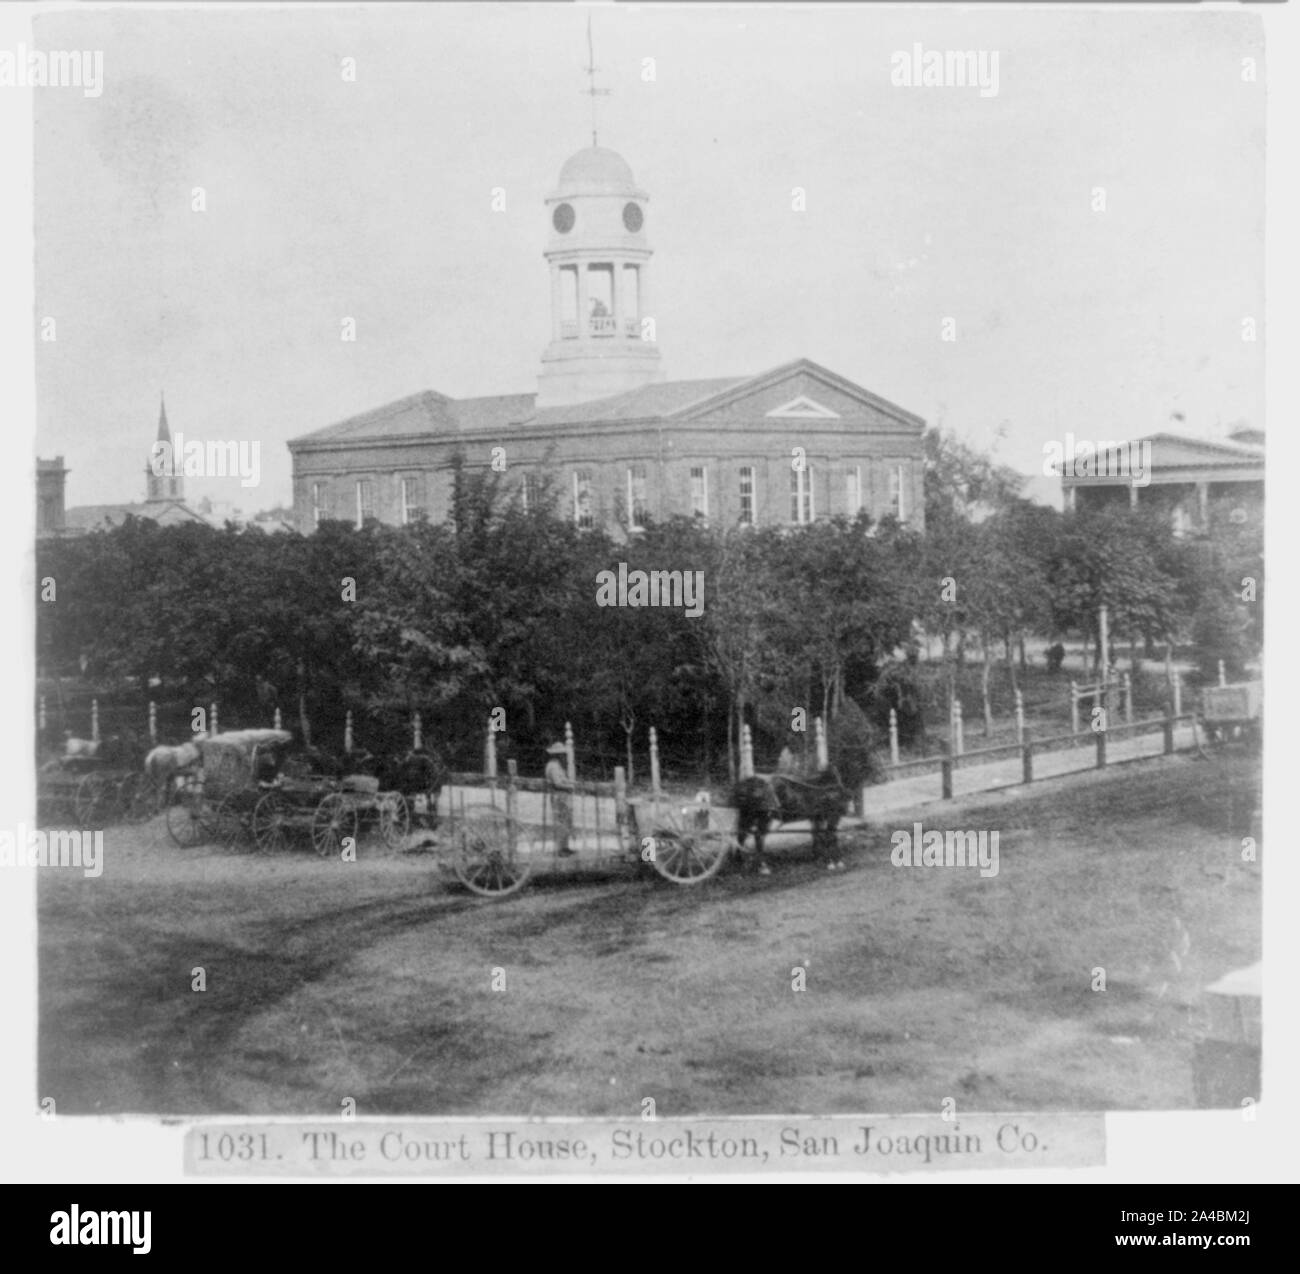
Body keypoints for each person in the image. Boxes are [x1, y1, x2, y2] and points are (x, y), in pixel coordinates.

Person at [544, 742, 575, 856]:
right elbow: (557, 783)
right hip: (558, 796)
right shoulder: (553, 766)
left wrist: (569, 783)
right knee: (561, 822)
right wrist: (570, 786)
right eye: (561, 754)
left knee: (566, 821)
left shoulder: (557, 765)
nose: (563, 756)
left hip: (563, 795)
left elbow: (563, 780)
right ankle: (561, 849)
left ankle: (565, 847)